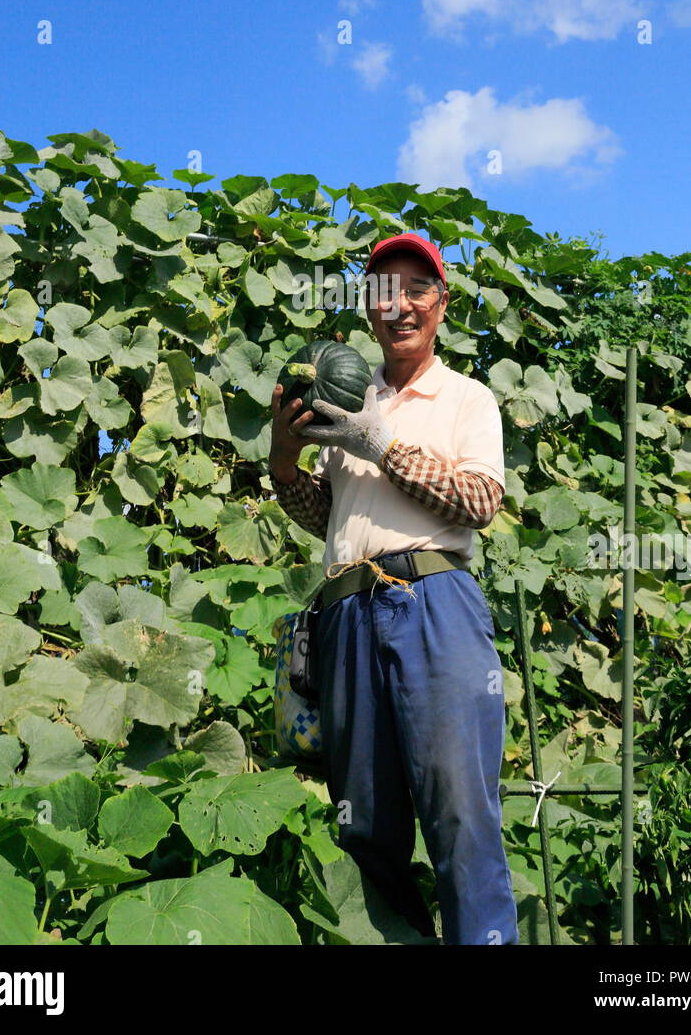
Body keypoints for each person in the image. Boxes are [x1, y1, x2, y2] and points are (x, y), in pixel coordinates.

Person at [268, 232, 518, 946]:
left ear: (441, 303)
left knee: (459, 806)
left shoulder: (468, 399)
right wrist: (286, 463)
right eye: (384, 292)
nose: (399, 305)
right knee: (366, 816)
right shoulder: (341, 394)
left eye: (416, 290)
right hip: (347, 608)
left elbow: (477, 501)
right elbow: (327, 517)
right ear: (367, 309)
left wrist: (380, 442)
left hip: (432, 603)